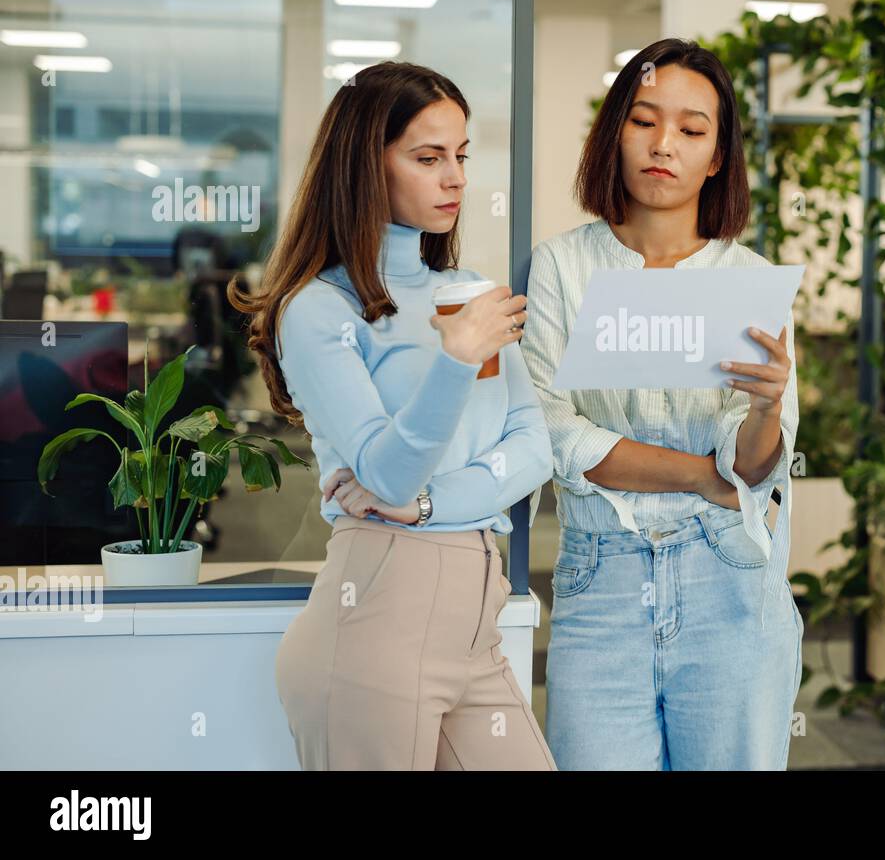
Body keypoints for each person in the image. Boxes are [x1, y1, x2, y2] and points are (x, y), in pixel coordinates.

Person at [229, 61, 556, 770]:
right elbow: (387, 471)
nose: (455, 179)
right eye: (427, 157)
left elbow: (535, 448)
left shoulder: (466, 294)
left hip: (476, 630)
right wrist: (457, 359)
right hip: (375, 626)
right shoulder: (319, 309)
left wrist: (436, 502)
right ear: (363, 167)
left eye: (461, 156)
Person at [519, 38, 803, 770]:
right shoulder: (562, 265)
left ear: (718, 157)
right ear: (615, 132)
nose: (664, 144)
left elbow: (753, 466)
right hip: (599, 577)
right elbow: (552, 432)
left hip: (727, 579)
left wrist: (767, 411)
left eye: (692, 129)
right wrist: (704, 475)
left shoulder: (752, 280)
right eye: (644, 120)